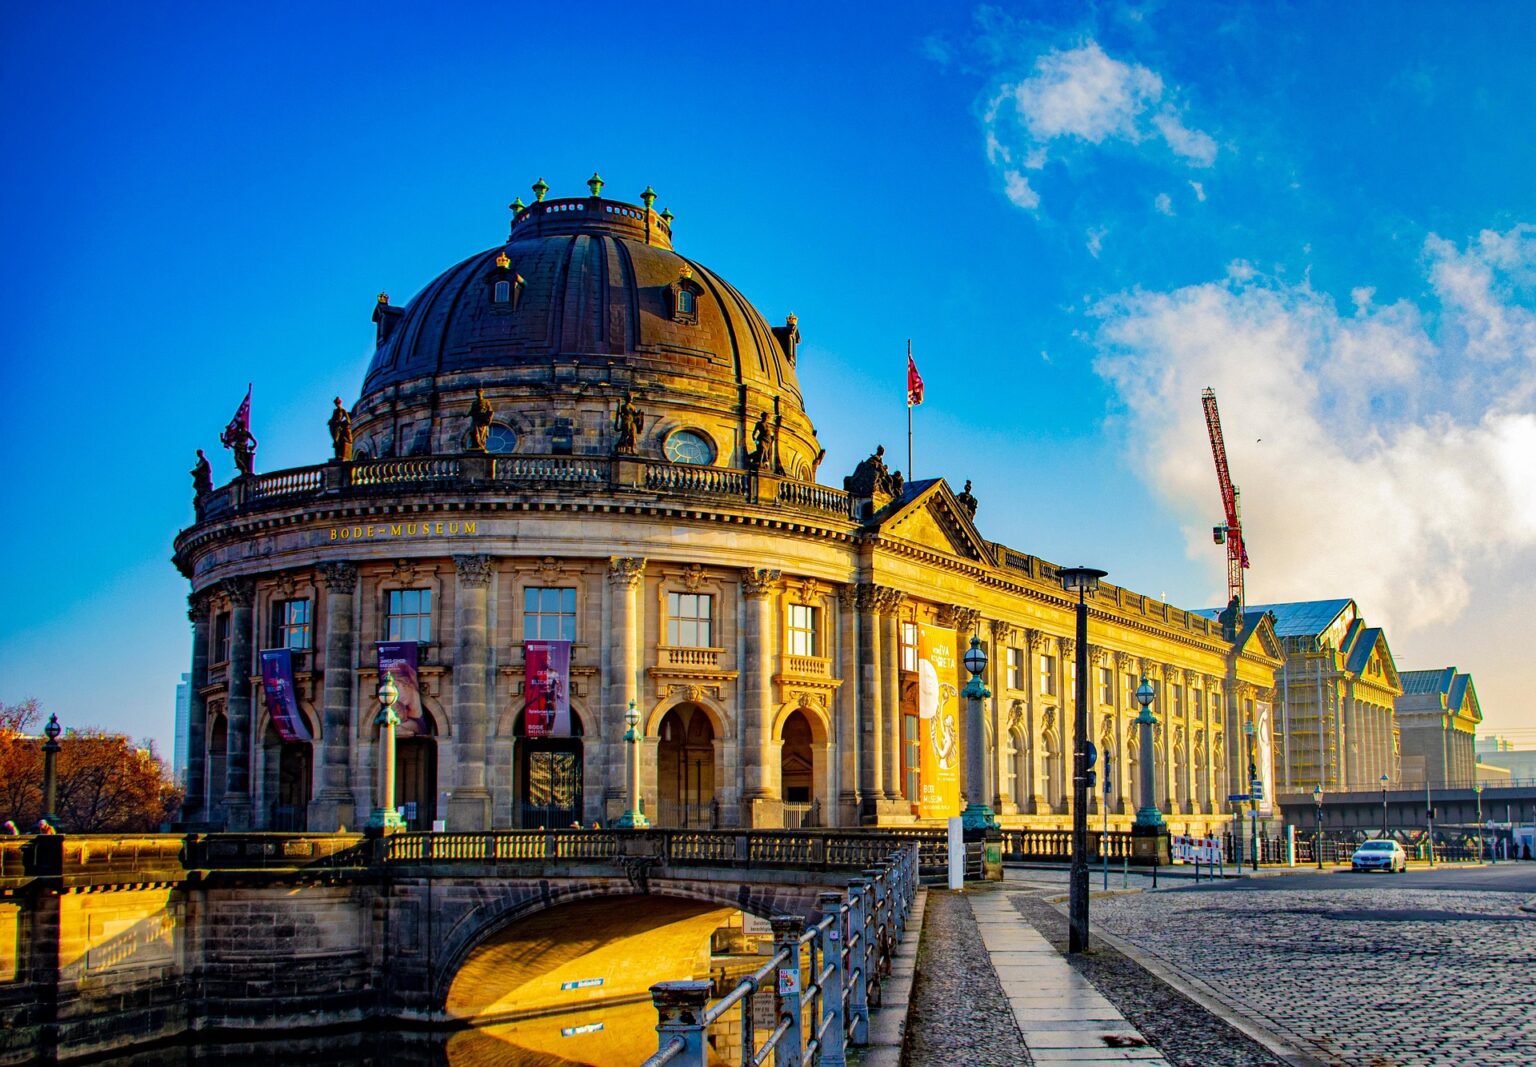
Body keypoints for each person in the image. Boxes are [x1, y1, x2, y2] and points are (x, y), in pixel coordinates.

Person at [328, 397, 354, 461]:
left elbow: (348, 420)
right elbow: (333, 418)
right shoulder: (335, 411)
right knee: (335, 441)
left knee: (337, 440)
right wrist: (331, 421)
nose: (337, 404)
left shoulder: (343, 410)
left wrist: (341, 422)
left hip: (339, 427)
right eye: (336, 403)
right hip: (334, 426)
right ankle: (337, 456)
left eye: (338, 403)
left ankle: (339, 455)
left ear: (340, 403)